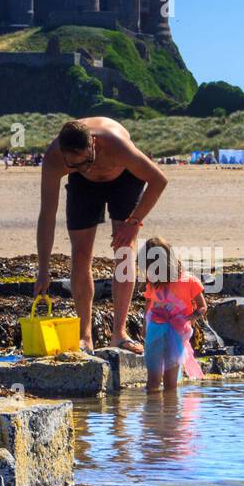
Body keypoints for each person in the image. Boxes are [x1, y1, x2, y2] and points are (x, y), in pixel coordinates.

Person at [35, 117, 168, 353]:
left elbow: (159, 180)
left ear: (94, 143)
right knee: (81, 253)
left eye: (87, 161)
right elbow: (47, 215)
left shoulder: (117, 145)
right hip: (84, 188)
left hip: (125, 179)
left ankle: (120, 333)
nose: (86, 168)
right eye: (75, 165)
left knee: (124, 251)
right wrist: (43, 270)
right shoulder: (55, 157)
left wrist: (134, 223)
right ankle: (85, 336)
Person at [140, 237, 206, 392]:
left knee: (170, 384)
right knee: (153, 383)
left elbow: (203, 307)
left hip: (177, 335)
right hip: (155, 331)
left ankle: (167, 414)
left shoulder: (189, 281)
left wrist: (190, 318)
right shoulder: (153, 281)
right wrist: (145, 326)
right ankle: (160, 413)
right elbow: (149, 304)